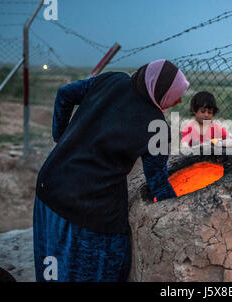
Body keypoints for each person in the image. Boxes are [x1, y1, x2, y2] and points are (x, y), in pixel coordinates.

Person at [33, 59, 189, 282]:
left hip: (49, 188)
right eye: (177, 94)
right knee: (102, 265)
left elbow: (64, 94)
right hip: (88, 207)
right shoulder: (157, 127)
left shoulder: (112, 79)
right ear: (161, 89)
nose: (180, 100)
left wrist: (62, 137)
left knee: (52, 265)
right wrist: (179, 208)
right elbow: (158, 184)